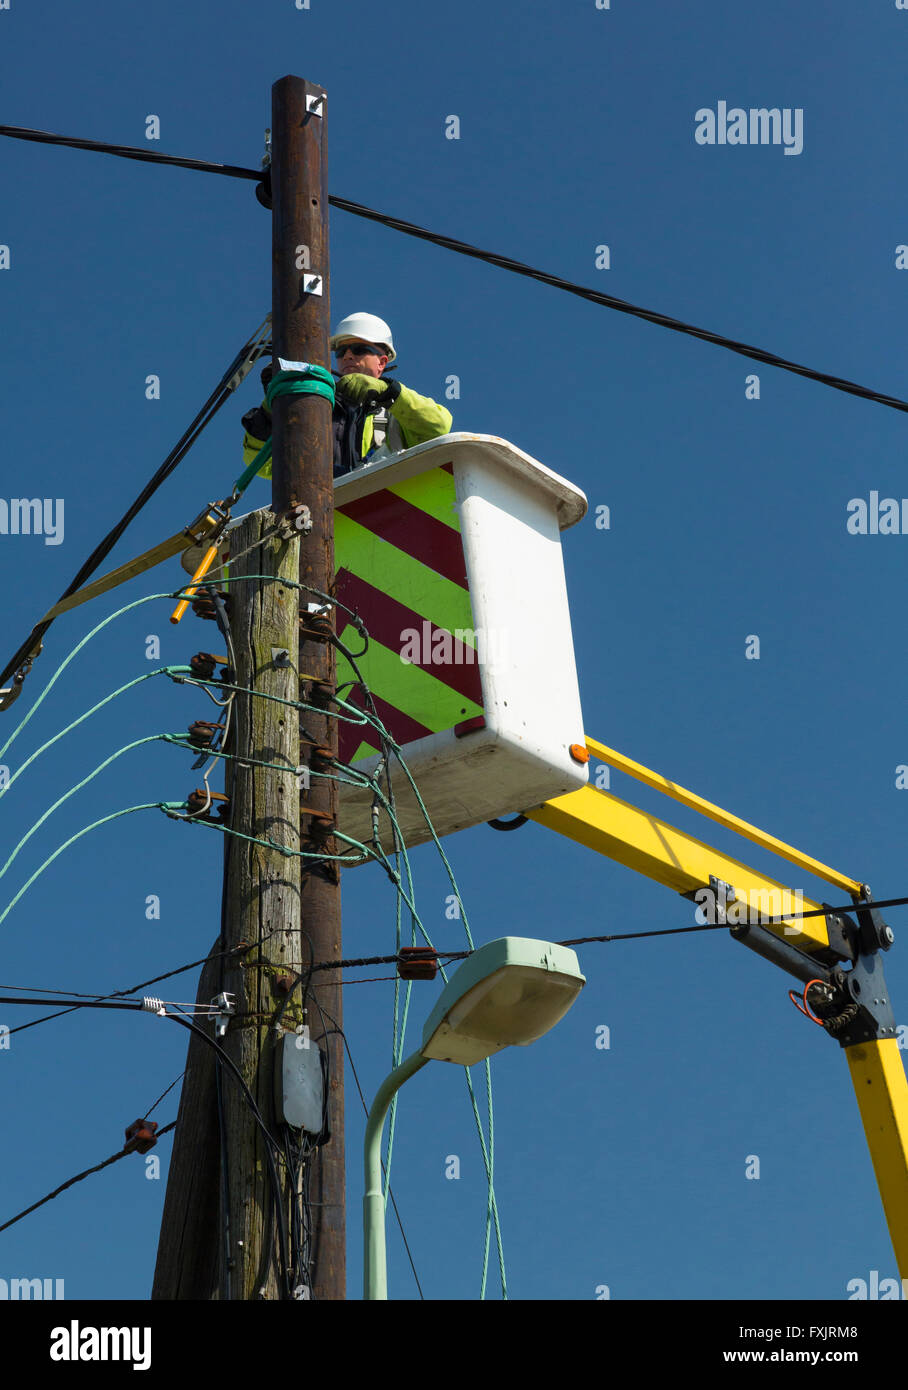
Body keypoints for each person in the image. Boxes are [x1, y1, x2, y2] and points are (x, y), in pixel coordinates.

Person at [240, 312, 453, 480]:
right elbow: (260, 463)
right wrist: (272, 408)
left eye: (359, 349)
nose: (348, 355)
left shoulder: (395, 414)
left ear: (382, 362)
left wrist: (388, 393)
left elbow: (438, 426)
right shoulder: (317, 410)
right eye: (341, 352)